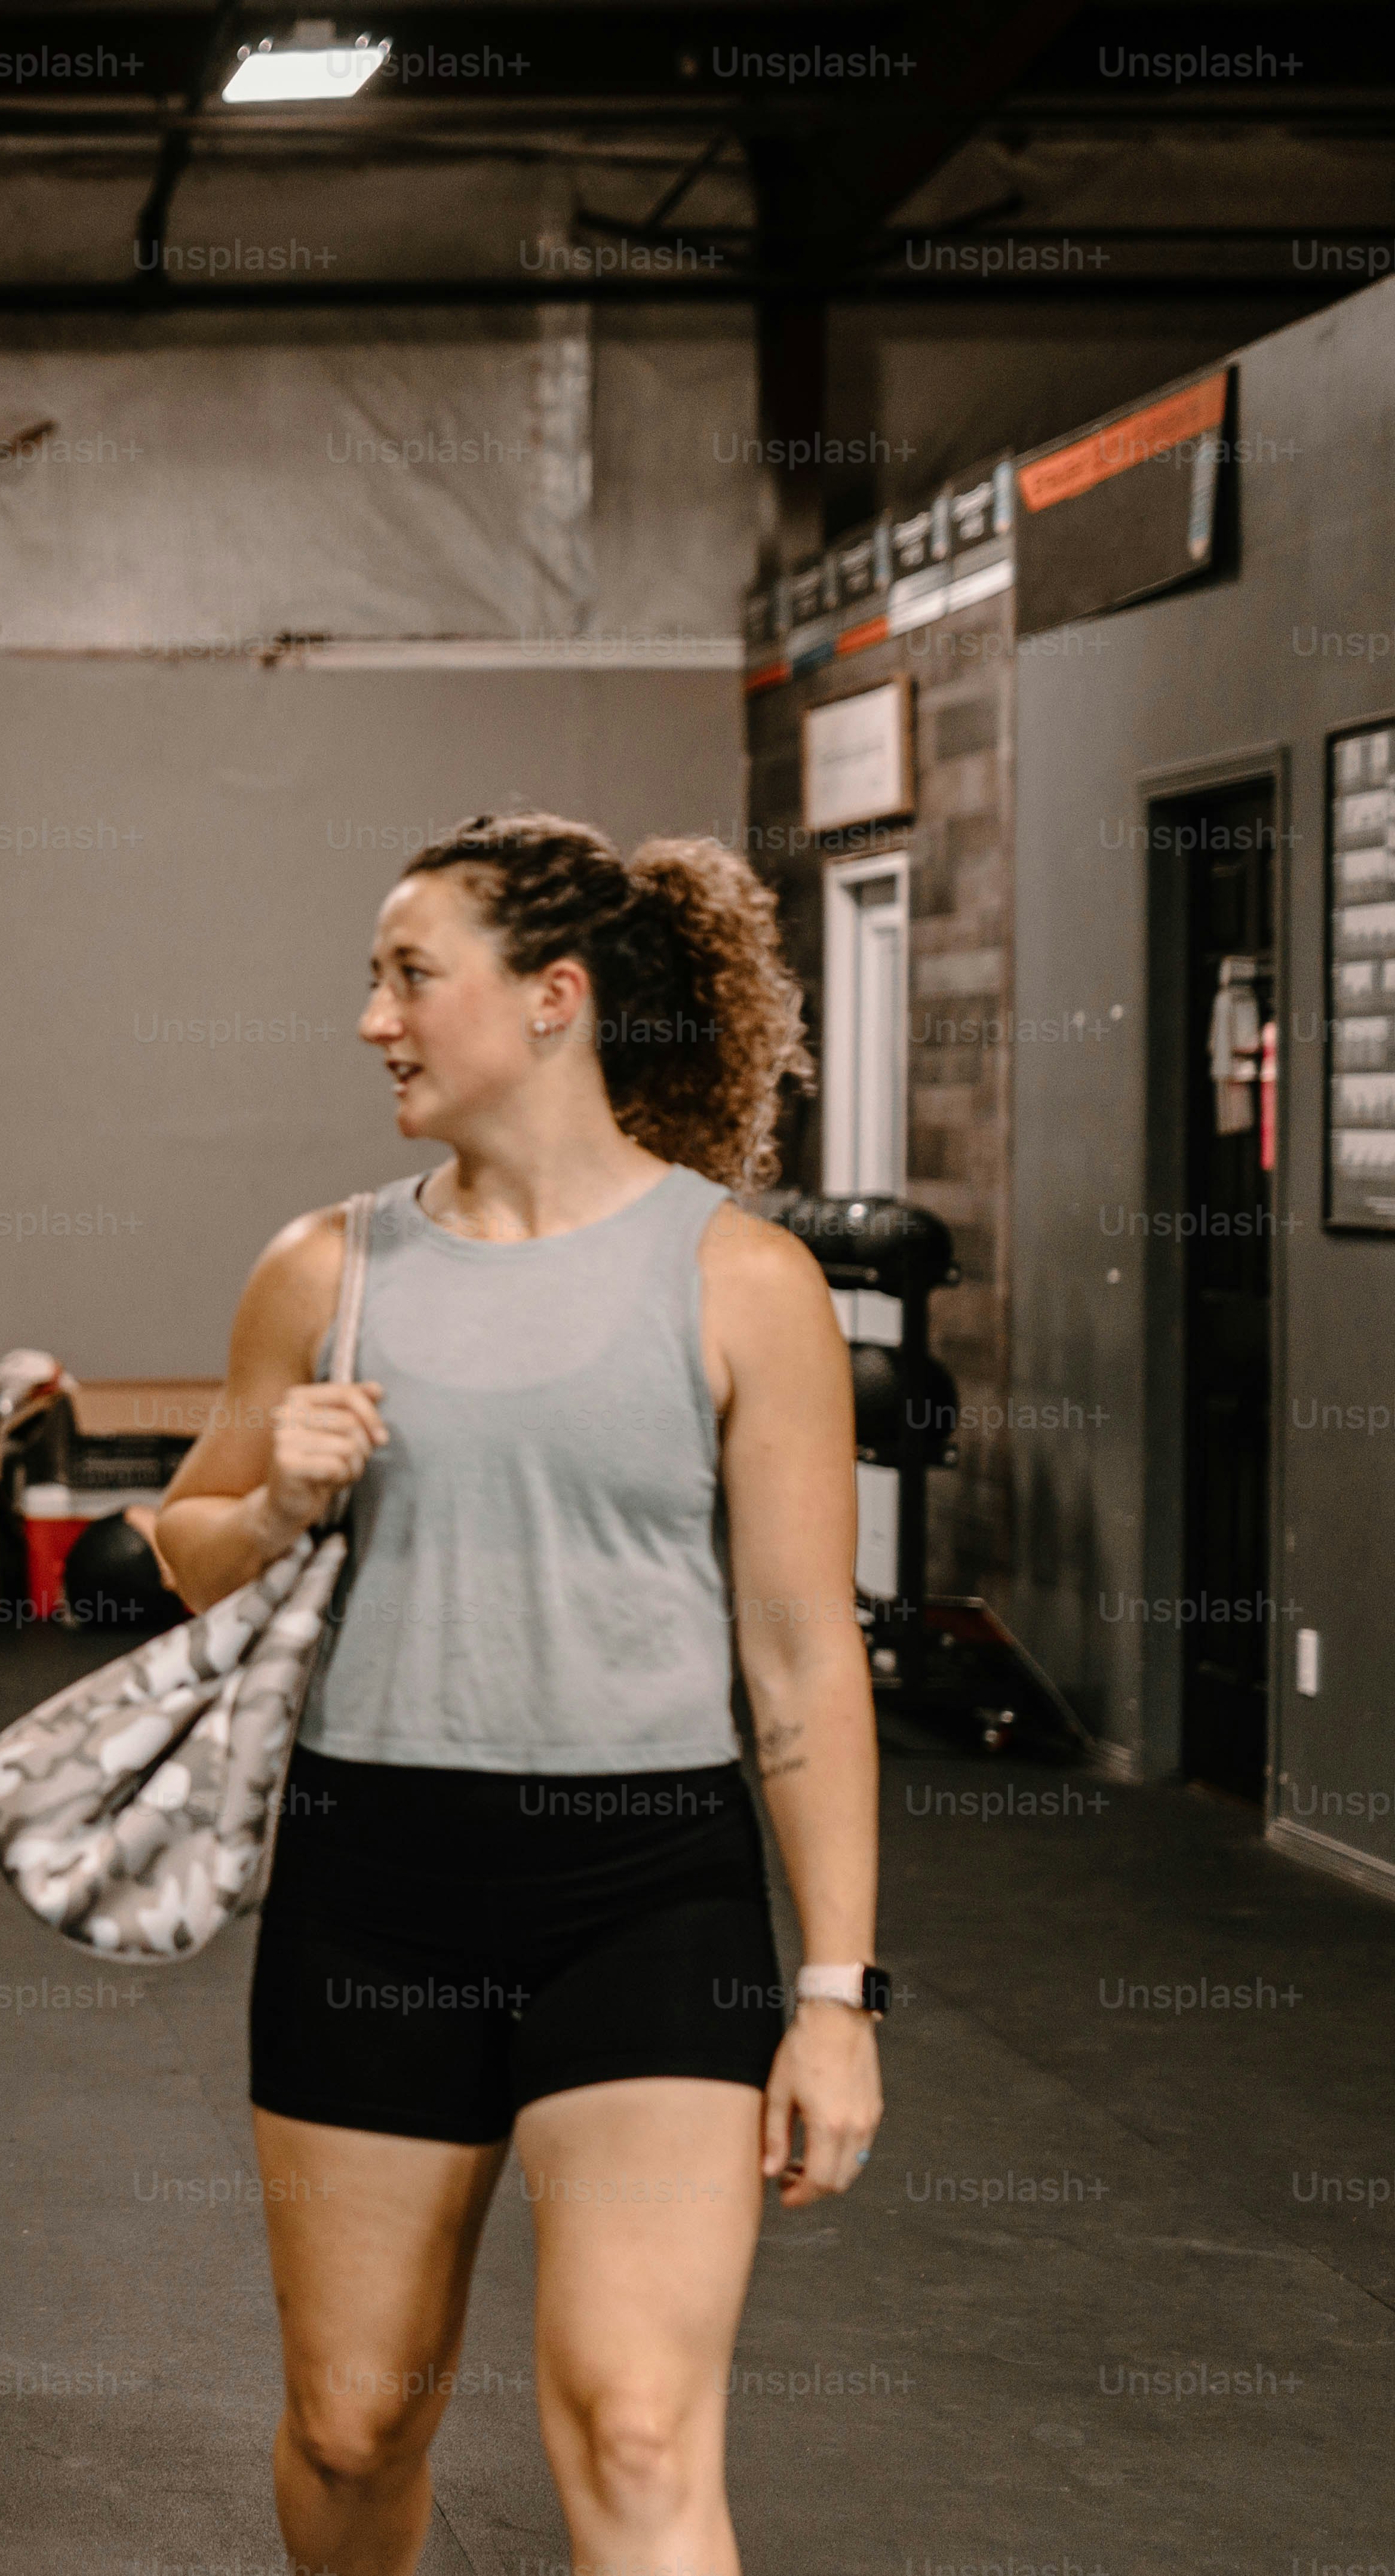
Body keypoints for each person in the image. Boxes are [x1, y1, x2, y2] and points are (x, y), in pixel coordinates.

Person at [153, 814, 885, 2576]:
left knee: (638, 2428)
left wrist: (840, 1990)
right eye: (375, 979)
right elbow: (187, 1547)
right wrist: (278, 1502)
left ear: (552, 1000)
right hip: (376, 1881)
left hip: (649, 1887)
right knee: (354, 2425)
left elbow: (801, 1659)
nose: (374, 1018)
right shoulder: (323, 1273)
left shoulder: (745, 1283)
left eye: (412, 976)